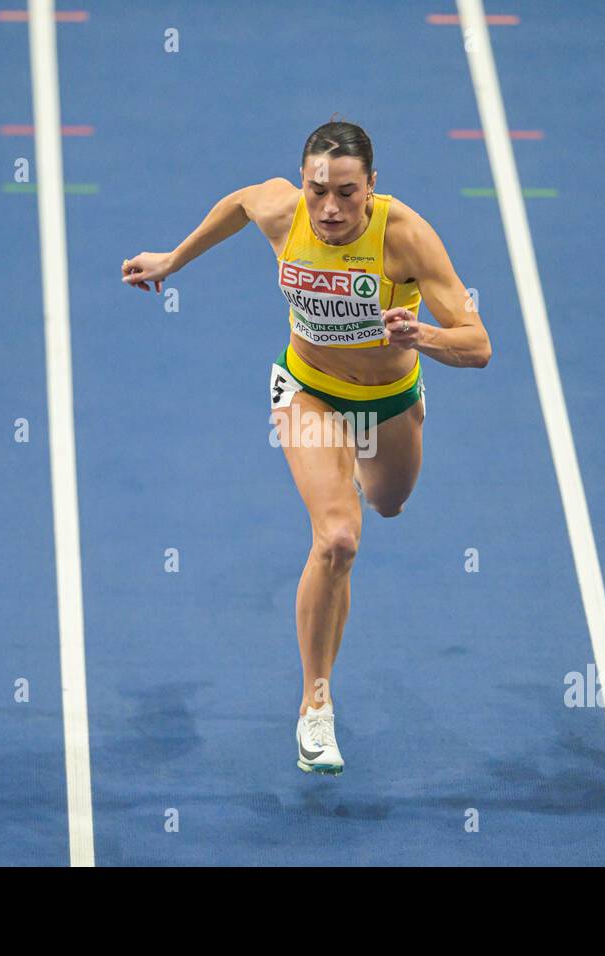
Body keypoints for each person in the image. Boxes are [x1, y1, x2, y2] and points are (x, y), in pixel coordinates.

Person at [122, 120, 491, 774]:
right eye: (318, 189)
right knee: (338, 538)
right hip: (307, 389)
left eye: (347, 193)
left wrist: (421, 337)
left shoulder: (406, 237)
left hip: (389, 399)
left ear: (372, 187)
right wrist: (173, 260)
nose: (330, 208)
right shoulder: (281, 211)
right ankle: (315, 703)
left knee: (388, 504)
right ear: (302, 182)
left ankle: (380, 460)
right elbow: (237, 202)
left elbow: (477, 343)